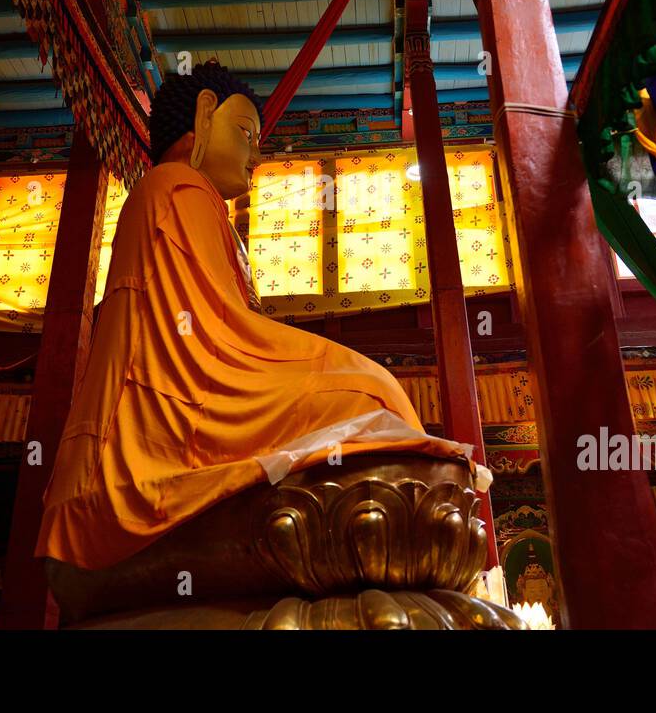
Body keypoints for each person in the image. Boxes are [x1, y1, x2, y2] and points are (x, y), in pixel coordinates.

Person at [35, 61, 474, 574]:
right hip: (172, 419)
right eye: (244, 132)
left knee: (371, 393)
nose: (256, 153)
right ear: (202, 117)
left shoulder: (187, 198)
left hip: (189, 401)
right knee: (369, 393)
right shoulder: (176, 187)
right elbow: (212, 336)